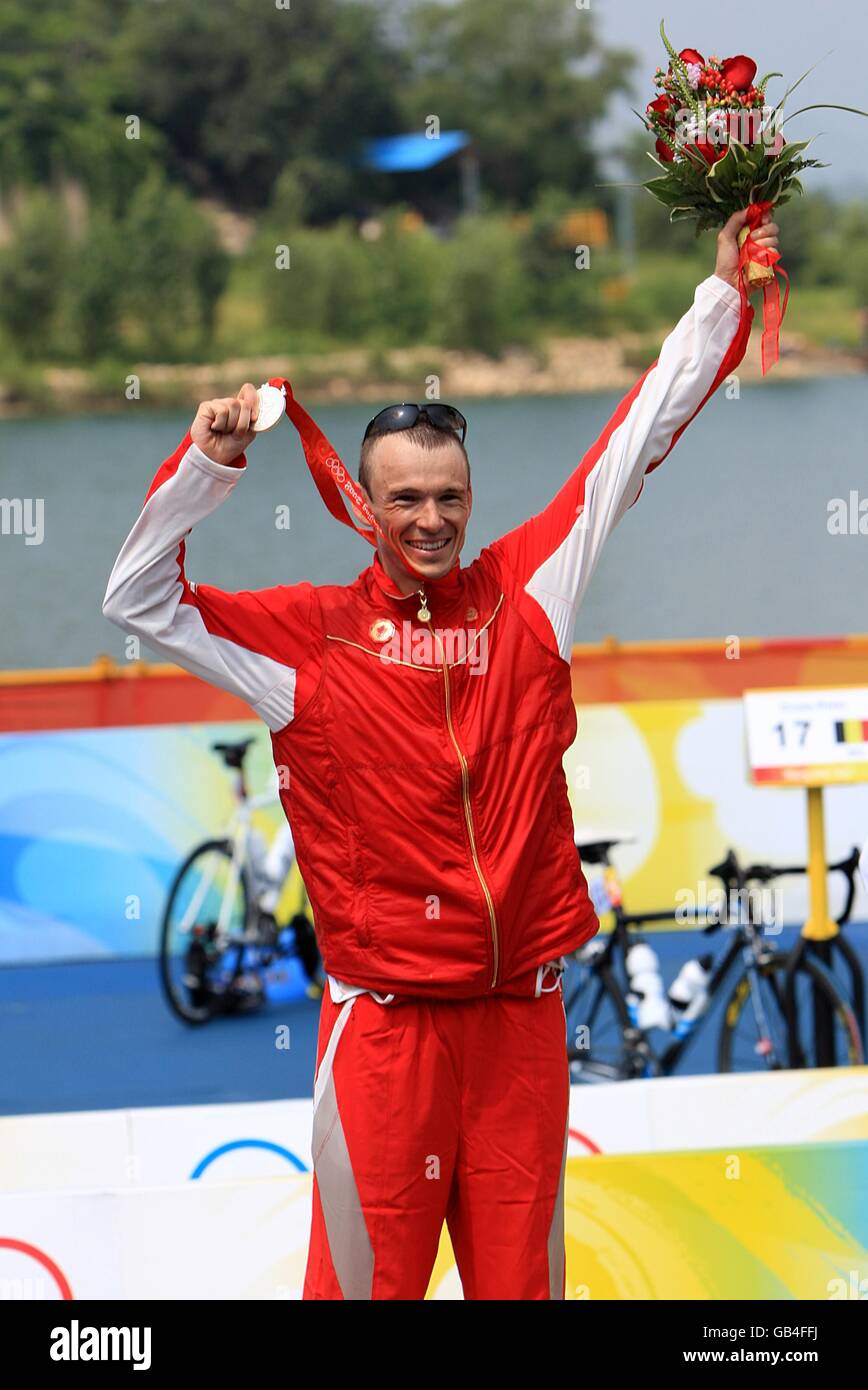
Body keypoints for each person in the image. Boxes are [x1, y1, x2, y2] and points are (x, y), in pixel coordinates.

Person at [103, 208, 779, 1300]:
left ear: (473, 499)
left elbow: (638, 434)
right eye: (406, 499)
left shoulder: (529, 592)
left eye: (450, 497)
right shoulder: (303, 640)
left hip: (520, 1023)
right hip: (385, 1036)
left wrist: (720, 294)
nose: (431, 520)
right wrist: (208, 463)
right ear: (361, 507)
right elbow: (137, 597)